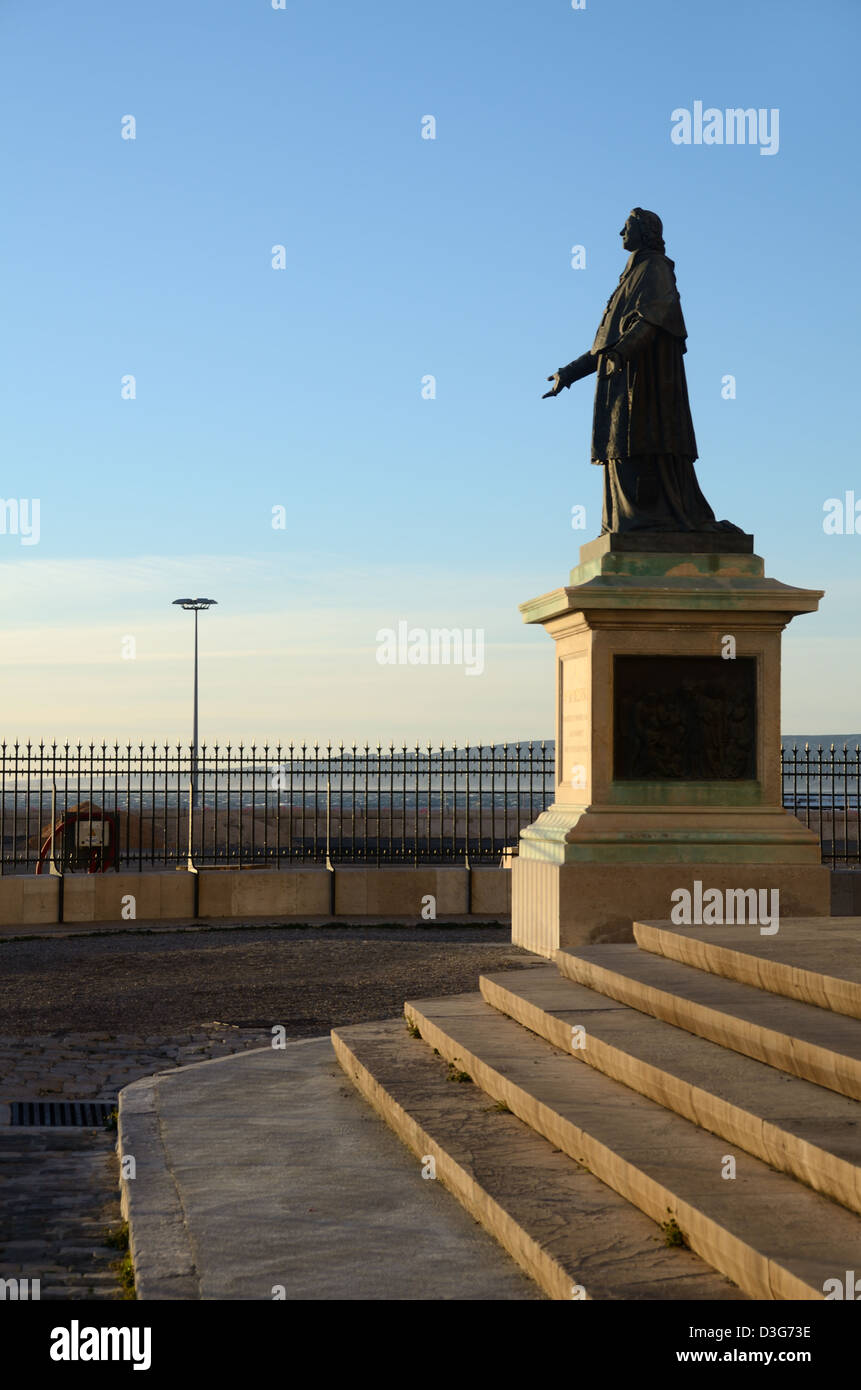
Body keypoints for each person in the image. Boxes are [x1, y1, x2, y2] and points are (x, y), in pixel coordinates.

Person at [543, 208, 743, 535]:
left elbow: (653, 318)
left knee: (642, 451)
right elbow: (605, 345)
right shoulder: (631, 275)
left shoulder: (656, 268)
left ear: (644, 232)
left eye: (626, 227)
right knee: (619, 452)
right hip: (621, 381)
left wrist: (622, 352)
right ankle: (628, 526)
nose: (620, 233)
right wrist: (569, 373)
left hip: (646, 384)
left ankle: (652, 525)